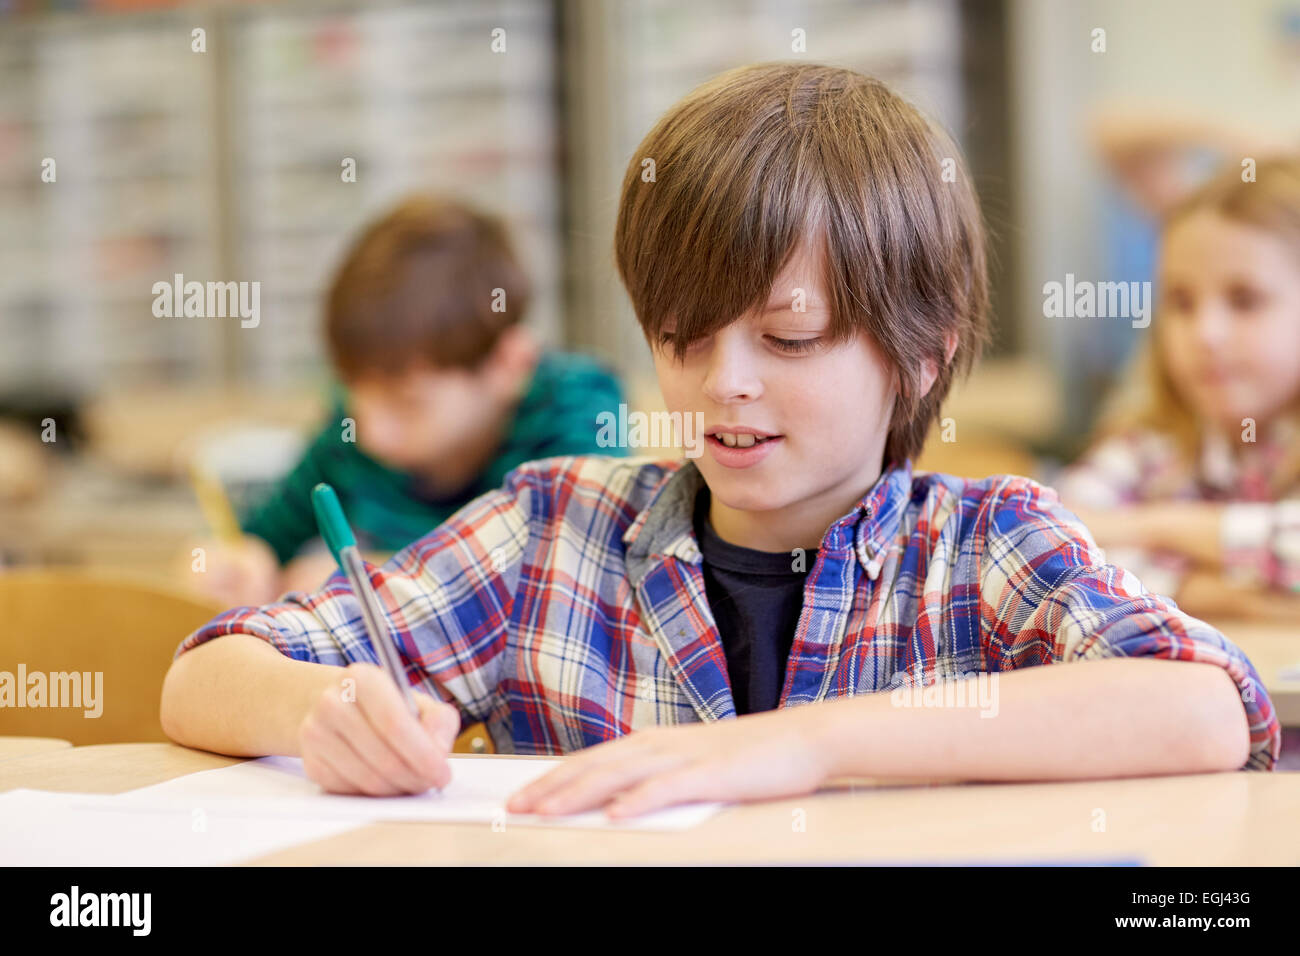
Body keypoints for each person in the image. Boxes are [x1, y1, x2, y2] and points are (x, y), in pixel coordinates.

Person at [162, 65, 1279, 820]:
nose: (722, 383)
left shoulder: (984, 547)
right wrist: (321, 714)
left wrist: (806, 744)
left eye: (788, 336)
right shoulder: (553, 528)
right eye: (681, 337)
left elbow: (1212, 706)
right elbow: (206, 673)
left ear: (924, 349)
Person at [197, 194, 626, 606]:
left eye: (406, 403)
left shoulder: (576, 408)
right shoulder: (351, 432)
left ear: (507, 364)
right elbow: (261, 540)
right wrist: (236, 564)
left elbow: (571, 574)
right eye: (354, 391)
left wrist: (380, 579)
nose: (370, 430)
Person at [1057, 158, 1300, 624]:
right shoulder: (1150, 448)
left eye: (1244, 299)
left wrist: (1155, 527)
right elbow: (1053, 543)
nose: (1205, 332)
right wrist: (1205, 591)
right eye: (1181, 302)